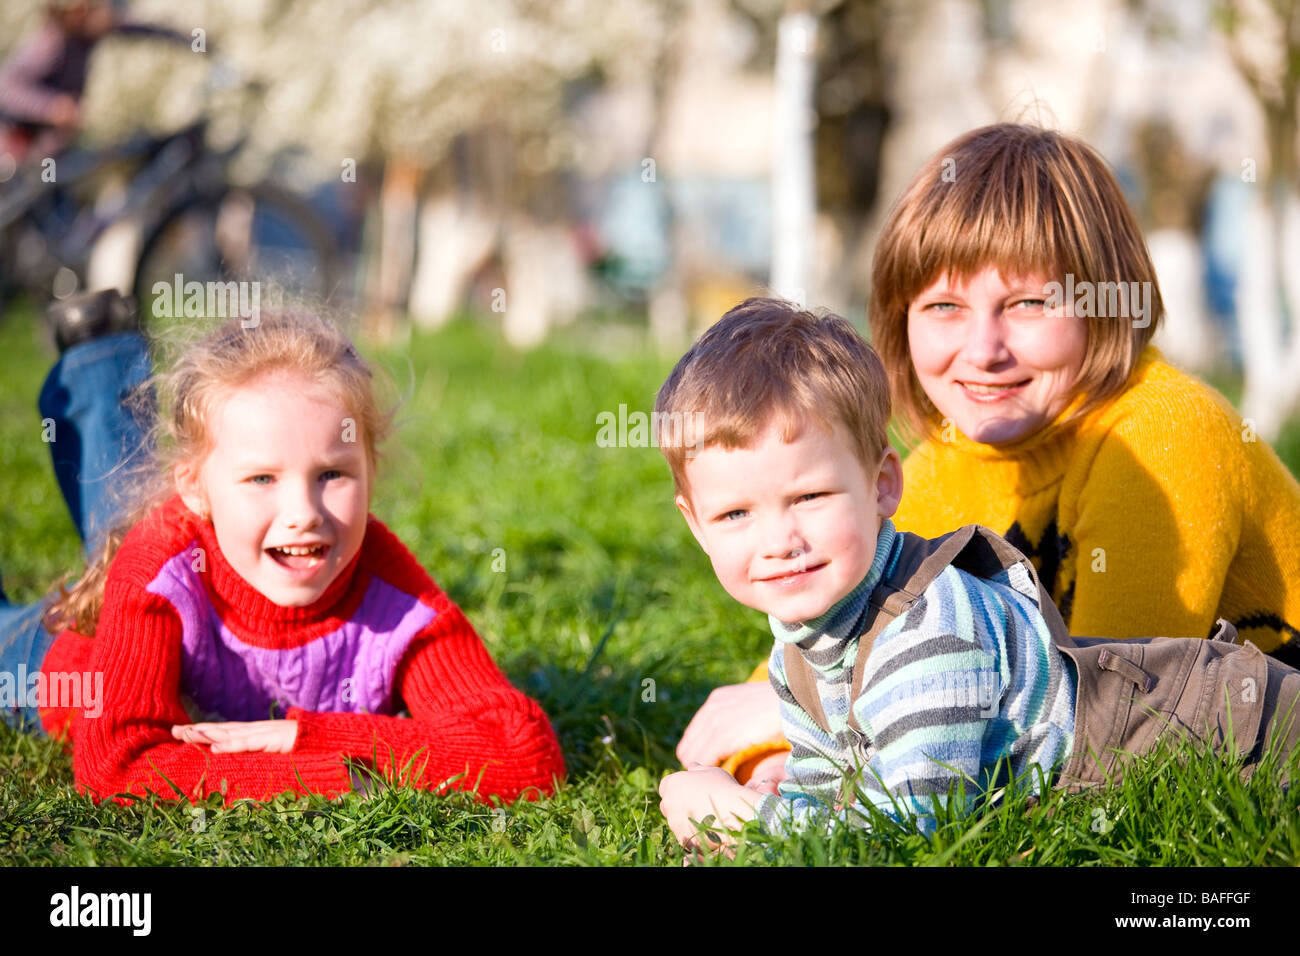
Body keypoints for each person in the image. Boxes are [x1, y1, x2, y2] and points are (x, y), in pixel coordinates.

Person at [678, 122, 1300, 786]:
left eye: (1028, 303)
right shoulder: (938, 468)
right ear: (899, 319)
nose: (983, 349)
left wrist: (777, 732)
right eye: (944, 305)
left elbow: (1111, 725)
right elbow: (826, 634)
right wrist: (777, 762)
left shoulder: (1163, 432)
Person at [654, 297, 1300, 847]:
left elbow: (914, 827)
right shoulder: (806, 637)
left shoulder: (926, 630)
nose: (780, 541)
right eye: (736, 513)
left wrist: (741, 816)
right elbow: (833, 784)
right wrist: (756, 827)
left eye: (810, 498)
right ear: (694, 523)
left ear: (882, 486)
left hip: (1241, 735)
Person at [1, 296, 566, 805]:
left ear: (370, 470)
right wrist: (338, 776)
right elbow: (118, 767)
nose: (305, 511)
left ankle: (101, 359)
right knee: (126, 535)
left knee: (129, 518)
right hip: (61, 661)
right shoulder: (158, 571)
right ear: (195, 488)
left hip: (197, 549)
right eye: (263, 479)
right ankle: (101, 366)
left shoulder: (389, 590)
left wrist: (309, 736)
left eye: (332, 474)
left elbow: (525, 754)